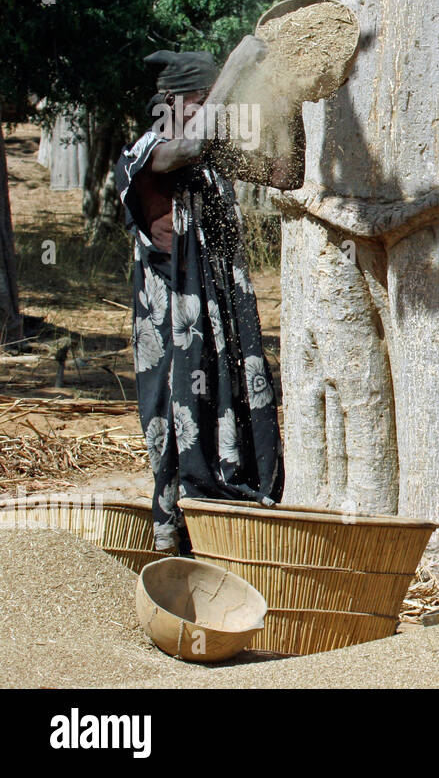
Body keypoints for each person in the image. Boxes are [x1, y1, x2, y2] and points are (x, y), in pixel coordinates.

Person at [115, 38, 305, 551]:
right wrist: (238, 68)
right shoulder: (148, 153)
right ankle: (177, 554)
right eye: (204, 101)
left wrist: (290, 98)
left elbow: (289, 174)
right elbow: (190, 145)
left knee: (242, 427)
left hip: (229, 327)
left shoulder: (216, 159)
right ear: (172, 105)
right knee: (184, 437)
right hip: (181, 334)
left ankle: (235, 537)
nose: (216, 111)